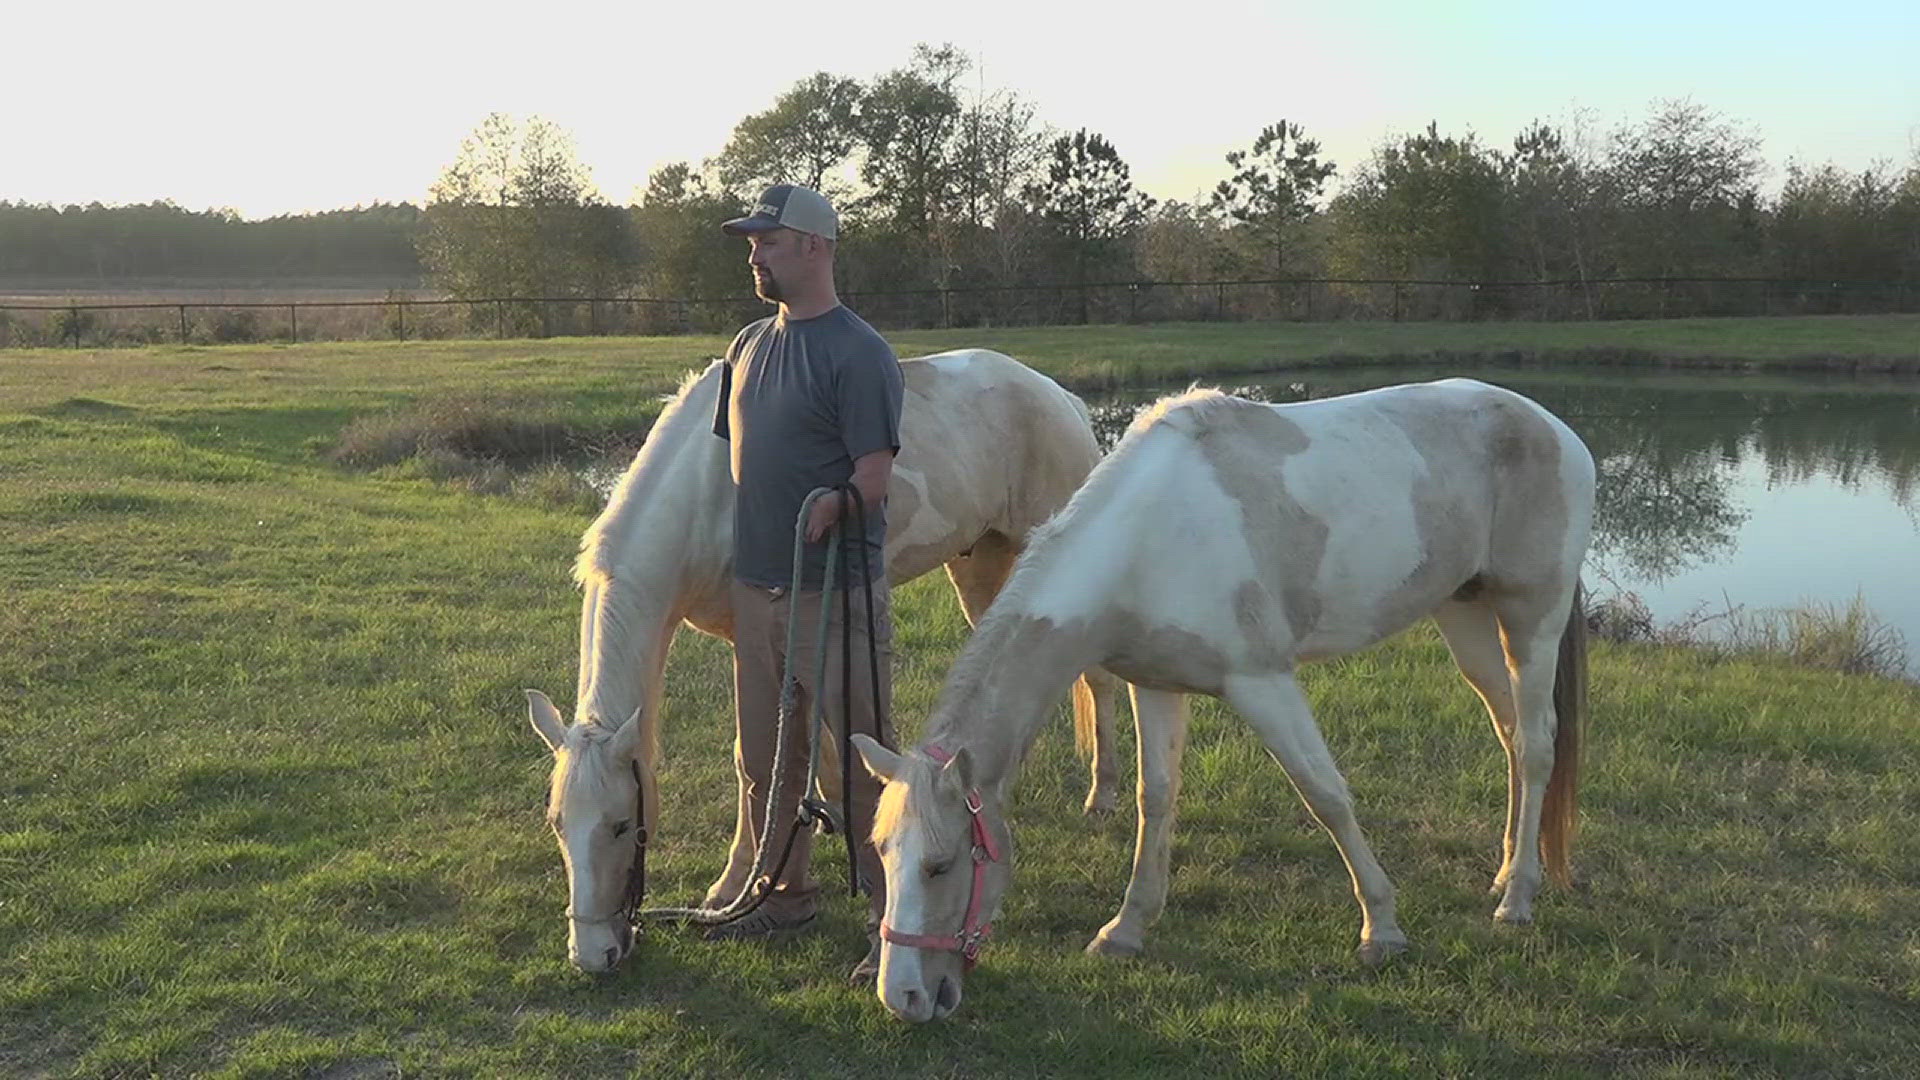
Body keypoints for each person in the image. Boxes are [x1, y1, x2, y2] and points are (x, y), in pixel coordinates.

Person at [707, 183, 903, 984]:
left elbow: (877, 476)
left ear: (816, 248)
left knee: (863, 768)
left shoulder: (860, 353)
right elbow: (742, 461)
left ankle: (891, 924)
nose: (754, 254)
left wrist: (837, 500)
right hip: (757, 592)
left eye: (769, 241)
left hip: (836, 596)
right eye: (752, 242)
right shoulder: (748, 345)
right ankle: (781, 897)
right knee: (764, 758)